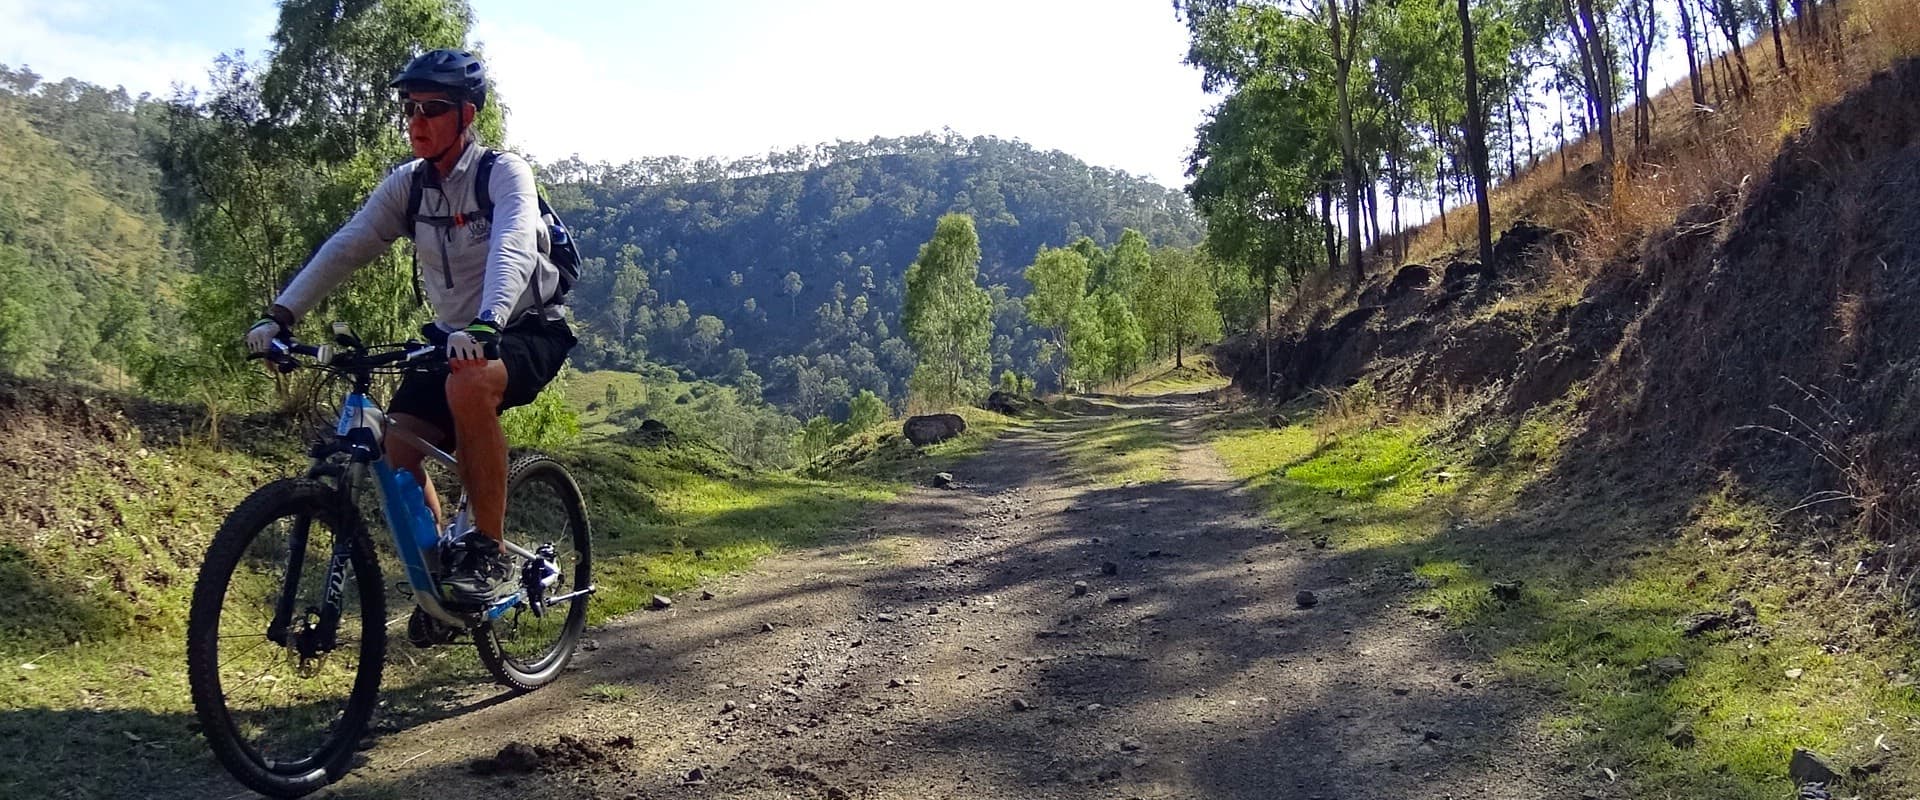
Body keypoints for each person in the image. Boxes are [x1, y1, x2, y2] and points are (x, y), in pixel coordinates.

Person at [244, 49, 576, 606]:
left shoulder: (503, 173)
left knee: (468, 384)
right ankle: (440, 579)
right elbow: (348, 245)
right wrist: (282, 313)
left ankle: (487, 550)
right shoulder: (409, 186)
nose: (416, 122)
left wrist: (488, 320)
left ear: (467, 115)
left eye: (433, 108)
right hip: (457, 338)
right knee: (395, 445)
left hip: (524, 327)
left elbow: (513, 247)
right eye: (409, 108)